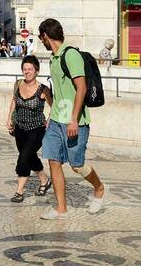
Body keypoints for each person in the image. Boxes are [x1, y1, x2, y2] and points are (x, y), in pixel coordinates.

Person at [37, 18, 108, 220]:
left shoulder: (71, 55)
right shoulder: (54, 58)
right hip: (56, 121)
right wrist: (51, 116)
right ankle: (61, 208)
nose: (41, 41)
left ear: (45, 36)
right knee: (53, 161)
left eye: (41, 37)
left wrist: (74, 119)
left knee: (77, 165)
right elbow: (59, 93)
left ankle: (99, 188)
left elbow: (82, 88)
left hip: (75, 120)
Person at [6, 55, 52, 203]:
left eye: (30, 69)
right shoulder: (18, 84)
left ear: (37, 70)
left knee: (24, 158)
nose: (27, 72)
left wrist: (49, 120)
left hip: (37, 129)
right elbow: (14, 102)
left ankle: (19, 191)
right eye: (25, 69)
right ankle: (45, 181)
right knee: (30, 157)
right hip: (20, 128)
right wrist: (9, 119)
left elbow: (55, 106)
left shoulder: (43, 89)